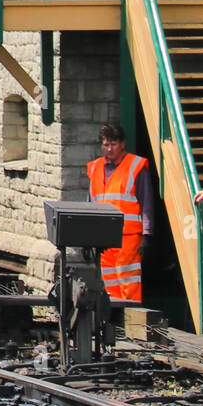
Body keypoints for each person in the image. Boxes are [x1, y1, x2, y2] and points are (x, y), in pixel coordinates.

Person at [86, 122, 153, 304]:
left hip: (128, 238)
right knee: (110, 285)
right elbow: (90, 205)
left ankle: (132, 325)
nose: (109, 149)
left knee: (128, 282)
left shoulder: (135, 166)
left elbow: (146, 202)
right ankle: (114, 327)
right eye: (106, 145)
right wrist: (86, 238)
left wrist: (146, 234)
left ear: (122, 144)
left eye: (113, 144)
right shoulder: (95, 168)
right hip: (104, 240)